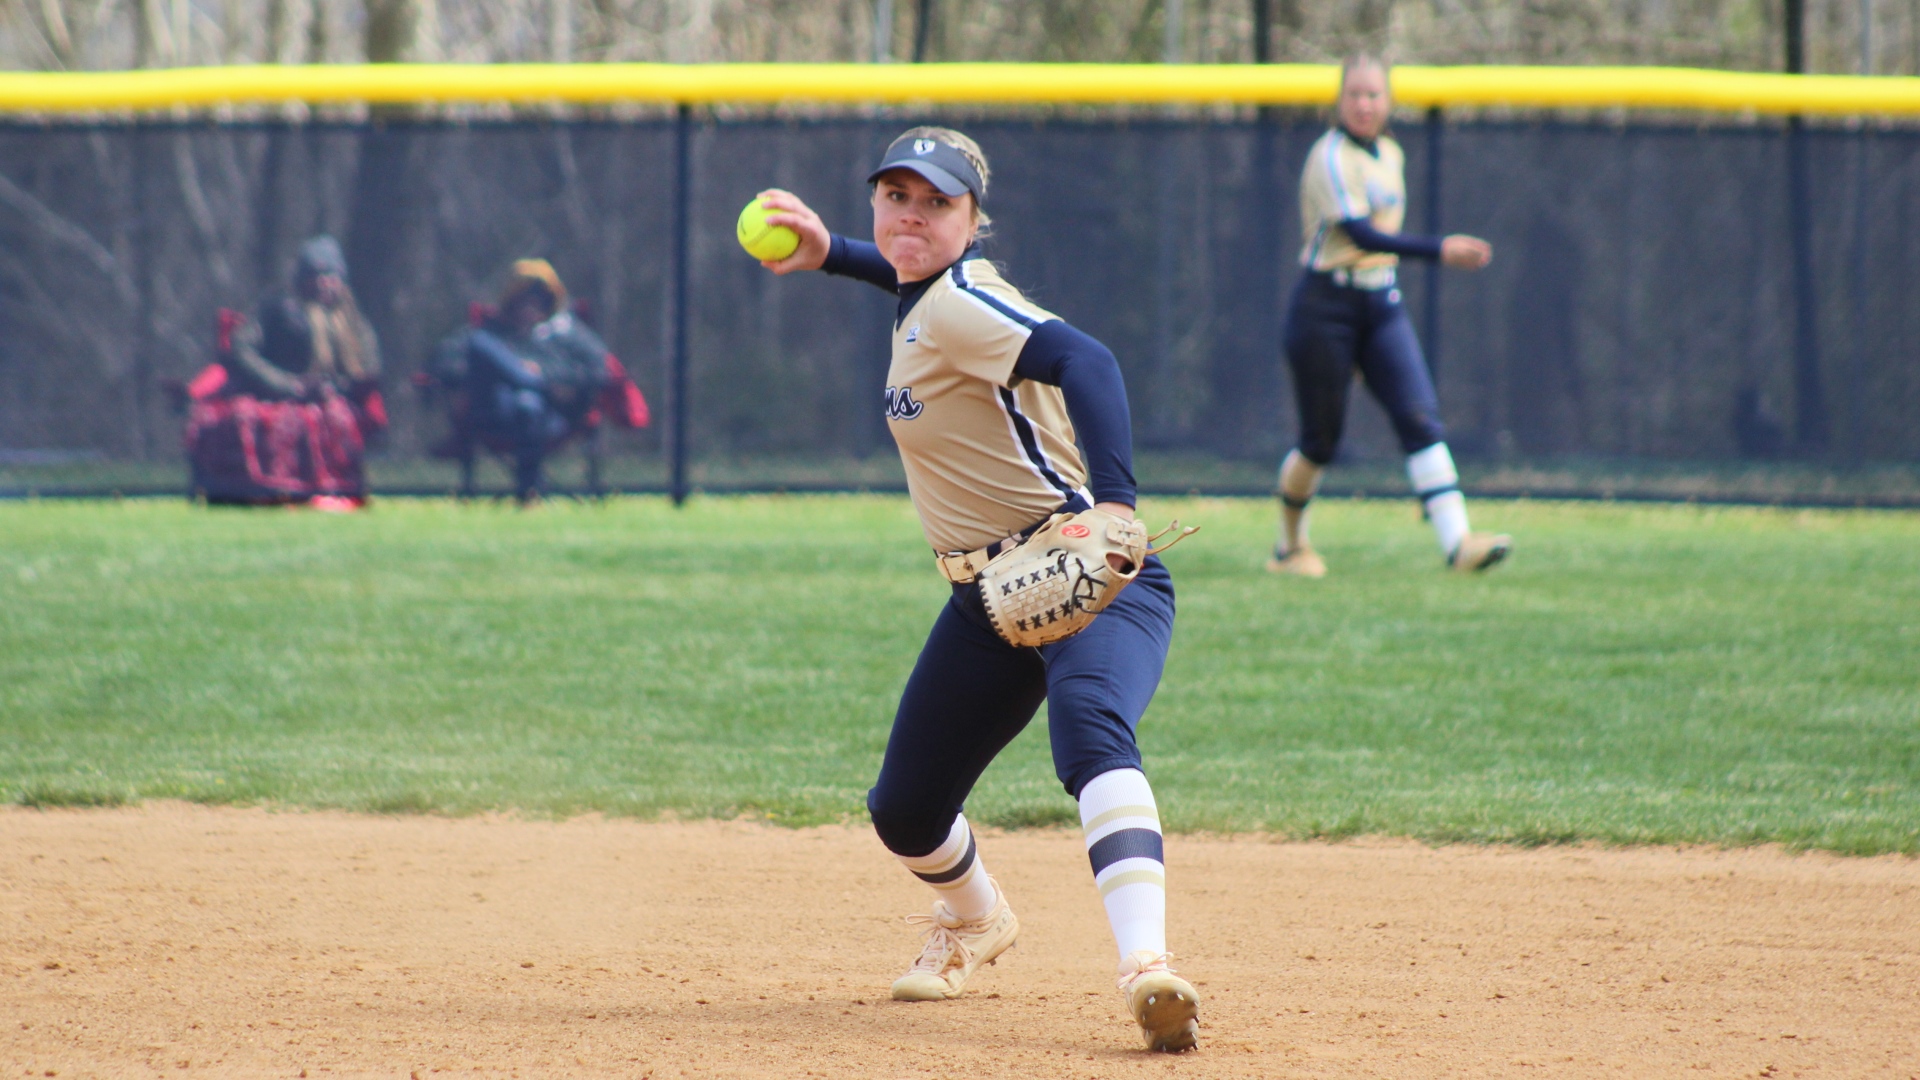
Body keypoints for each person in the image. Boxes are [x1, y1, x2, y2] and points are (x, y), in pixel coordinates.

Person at [755, 128, 1200, 1053]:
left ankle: (1148, 971)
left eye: (937, 203)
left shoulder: (959, 301)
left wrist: (1116, 506)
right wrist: (838, 253)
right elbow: (916, 281)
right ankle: (976, 919)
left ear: (973, 218)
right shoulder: (932, 296)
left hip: (1090, 572)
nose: (911, 217)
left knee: (1089, 733)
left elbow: (1091, 362)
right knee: (906, 809)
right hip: (989, 598)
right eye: (897, 199)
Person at [1269, 53, 1511, 577]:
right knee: (1320, 441)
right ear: (1339, 101)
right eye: (1354, 93)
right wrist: (1439, 249)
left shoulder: (1390, 154)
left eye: (1374, 94)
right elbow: (1362, 236)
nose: (1363, 103)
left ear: (1389, 102)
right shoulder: (1329, 156)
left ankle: (1459, 544)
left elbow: (1379, 249)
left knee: (1419, 416)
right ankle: (1290, 547)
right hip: (1325, 307)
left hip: (1380, 302)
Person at [187, 234, 384, 508]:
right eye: (316, 275)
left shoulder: (352, 321)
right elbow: (241, 347)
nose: (324, 282)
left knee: (333, 418)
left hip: (333, 398)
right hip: (276, 394)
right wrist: (288, 385)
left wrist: (336, 387)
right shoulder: (279, 307)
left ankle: (335, 490)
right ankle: (261, 492)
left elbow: (367, 368)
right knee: (254, 418)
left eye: (330, 275)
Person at [432, 260, 607, 503]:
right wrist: (505, 373)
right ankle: (527, 381)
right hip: (495, 413)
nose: (530, 307)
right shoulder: (491, 332)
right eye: (523, 299)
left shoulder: (568, 335)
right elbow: (446, 363)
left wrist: (545, 374)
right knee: (479, 345)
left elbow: (597, 371)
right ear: (511, 302)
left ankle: (527, 492)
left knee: (528, 402)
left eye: (539, 300)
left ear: (550, 303)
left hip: (552, 417)